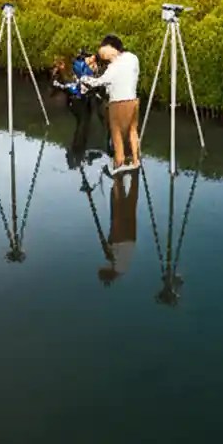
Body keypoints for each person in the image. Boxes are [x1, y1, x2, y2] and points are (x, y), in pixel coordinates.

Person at [78, 34, 141, 176]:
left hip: (119, 103)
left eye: (104, 50)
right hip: (133, 100)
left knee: (116, 134)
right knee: (132, 130)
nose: (102, 54)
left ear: (113, 47)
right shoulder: (132, 58)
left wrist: (85, 79)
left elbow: (101, 81)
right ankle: (136, 161)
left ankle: (119, 164)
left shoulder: (115, 66)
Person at [97, 170, 139, 286]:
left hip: (130, 237)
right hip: (121, 238)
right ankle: (118, 178)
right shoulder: (118, 267)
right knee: (117, 206)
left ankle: (133, 175)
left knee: (130, 205)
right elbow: (111, 246)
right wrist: (107, 246)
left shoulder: (122, 268)